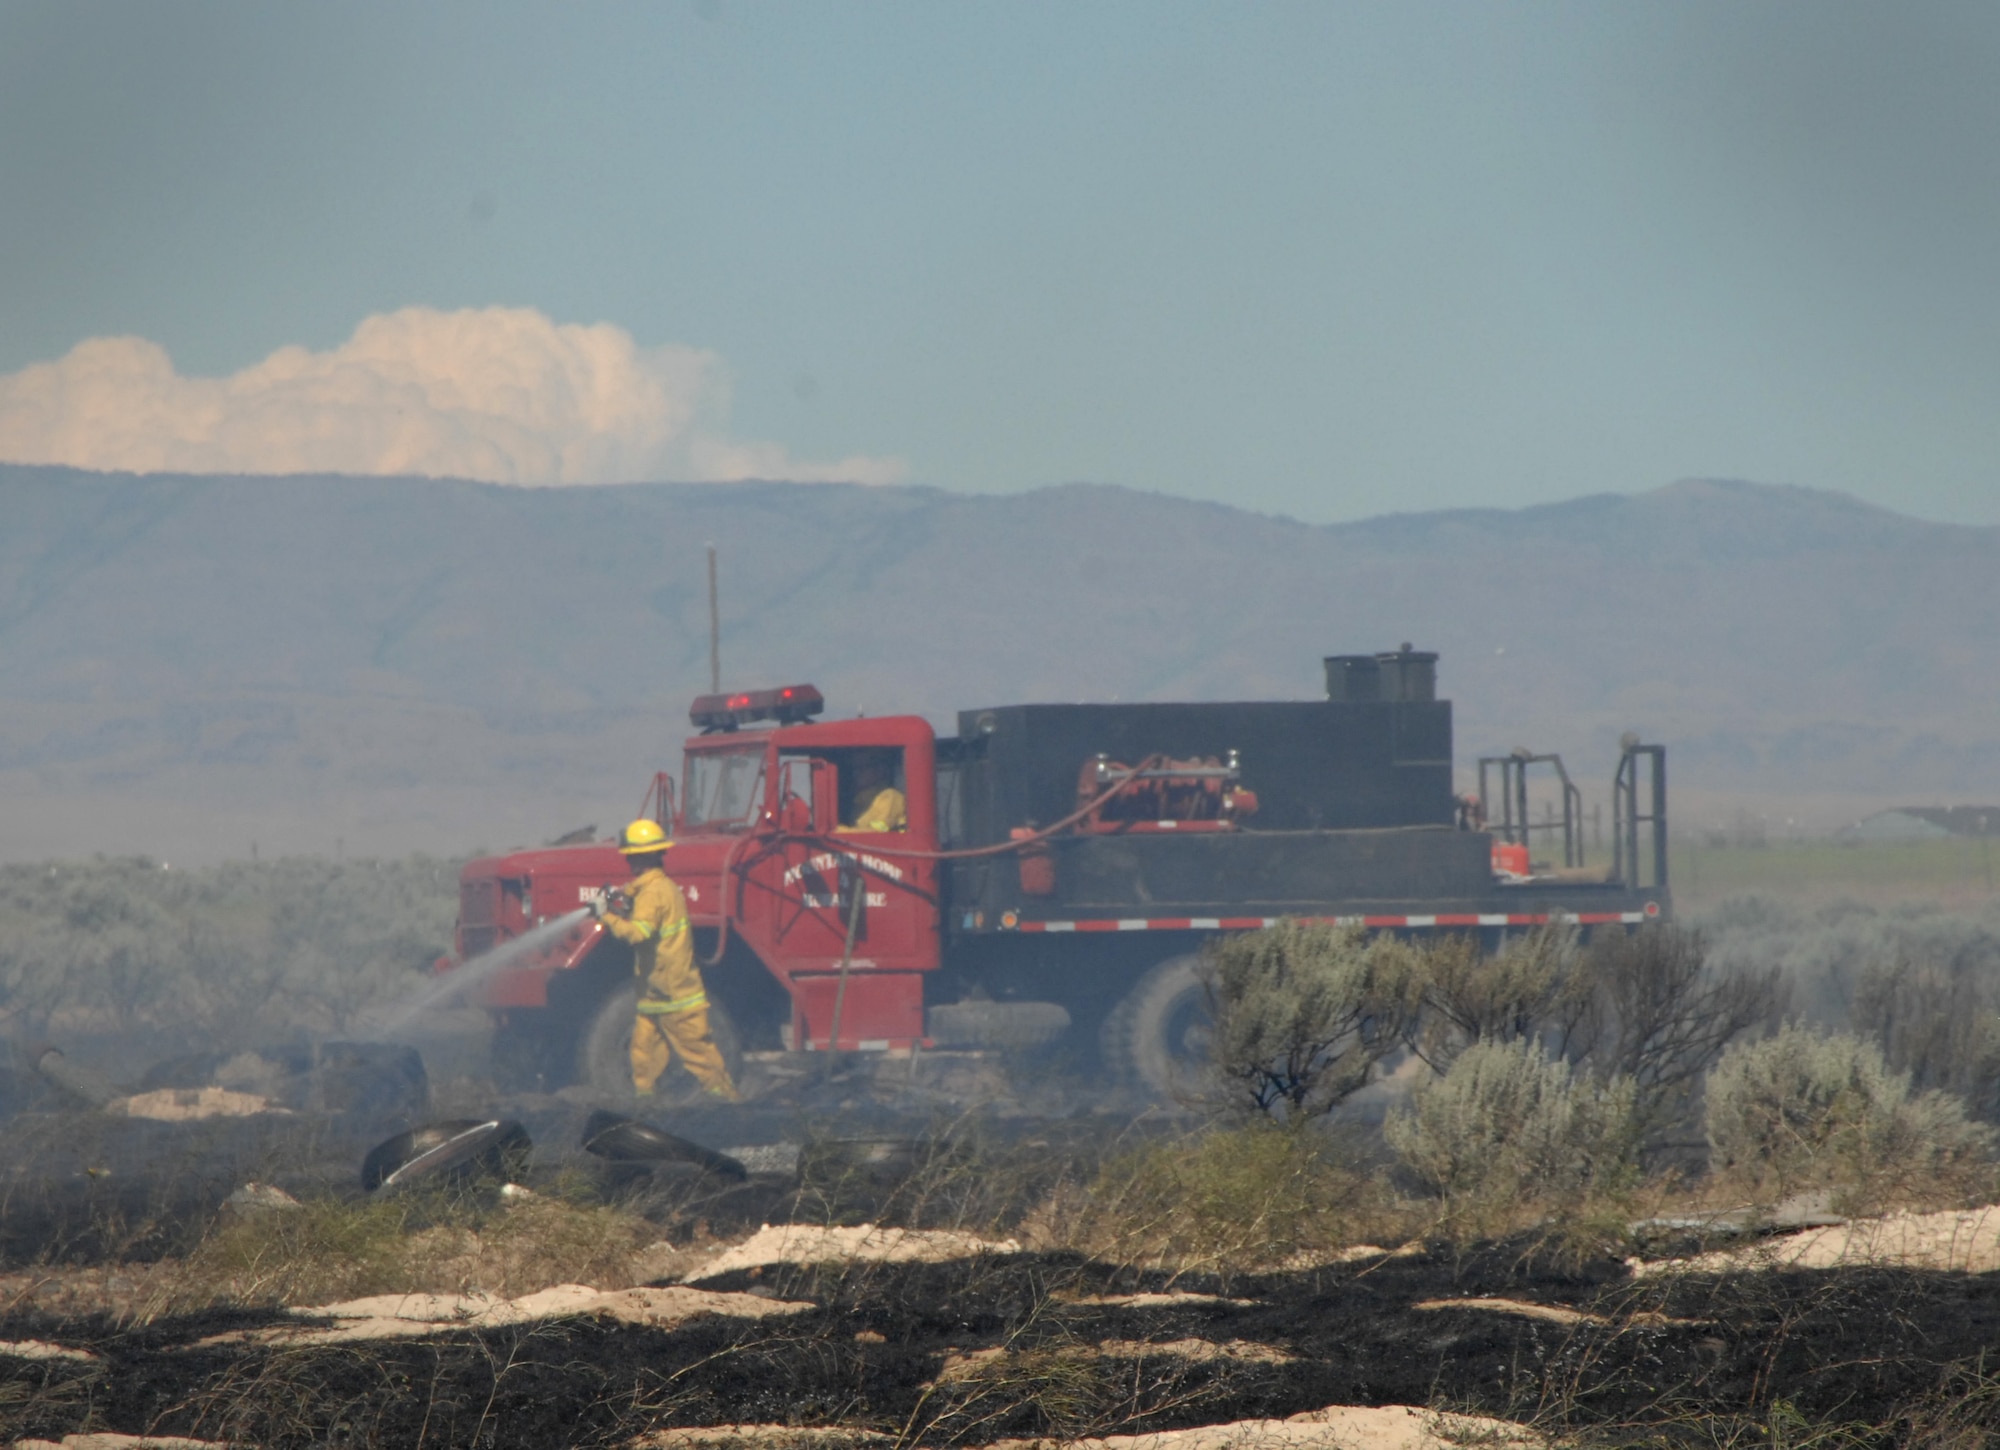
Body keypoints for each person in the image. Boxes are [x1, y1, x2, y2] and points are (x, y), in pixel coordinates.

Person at [591, 818, 740, 1101]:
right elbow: (639, 901)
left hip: (675, 992)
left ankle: (730, 1104)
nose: (629, 862)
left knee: (698, 1053)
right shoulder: (654, 888)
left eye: (631, 857)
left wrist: (605, 916)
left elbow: (638, 933)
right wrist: (619, 899)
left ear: (641, 858)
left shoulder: (655, 893)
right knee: (643, 1052)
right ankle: (646, 1104)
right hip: (656, 989)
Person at [837, 751, 907, 833]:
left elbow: (881, 830)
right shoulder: (859, 801)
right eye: (854, 769)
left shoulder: (890, 797)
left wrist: (842, 831)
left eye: (862, 768)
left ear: (879, 769)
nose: (856, 773)